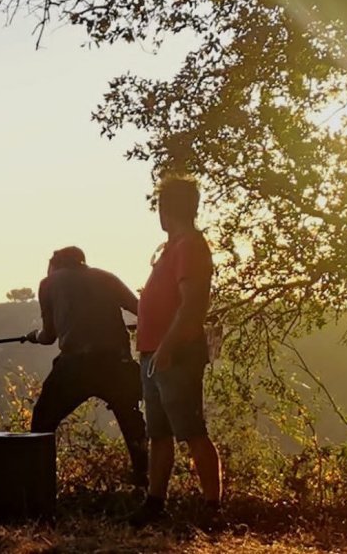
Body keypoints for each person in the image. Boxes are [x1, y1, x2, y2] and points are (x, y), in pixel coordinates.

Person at [130, 176, 223, 527]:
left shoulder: (189, 247)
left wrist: (168, 346)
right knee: (159, 432)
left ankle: (213, 507)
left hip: (175, 353)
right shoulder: (174, 247)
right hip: (155, 352)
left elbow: (193, 303)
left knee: (191, 429)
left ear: (165, 210)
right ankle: (155, 503)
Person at [24, 246, 148, 490]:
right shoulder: (106, 277)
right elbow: (141, 310)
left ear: (54, 265)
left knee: (42, 422)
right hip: (116, 363)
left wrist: (34, 336)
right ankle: (145, 483)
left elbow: (49, 335)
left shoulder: (48, 283)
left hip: (75, 365)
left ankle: (41, 485)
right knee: (132, 422)